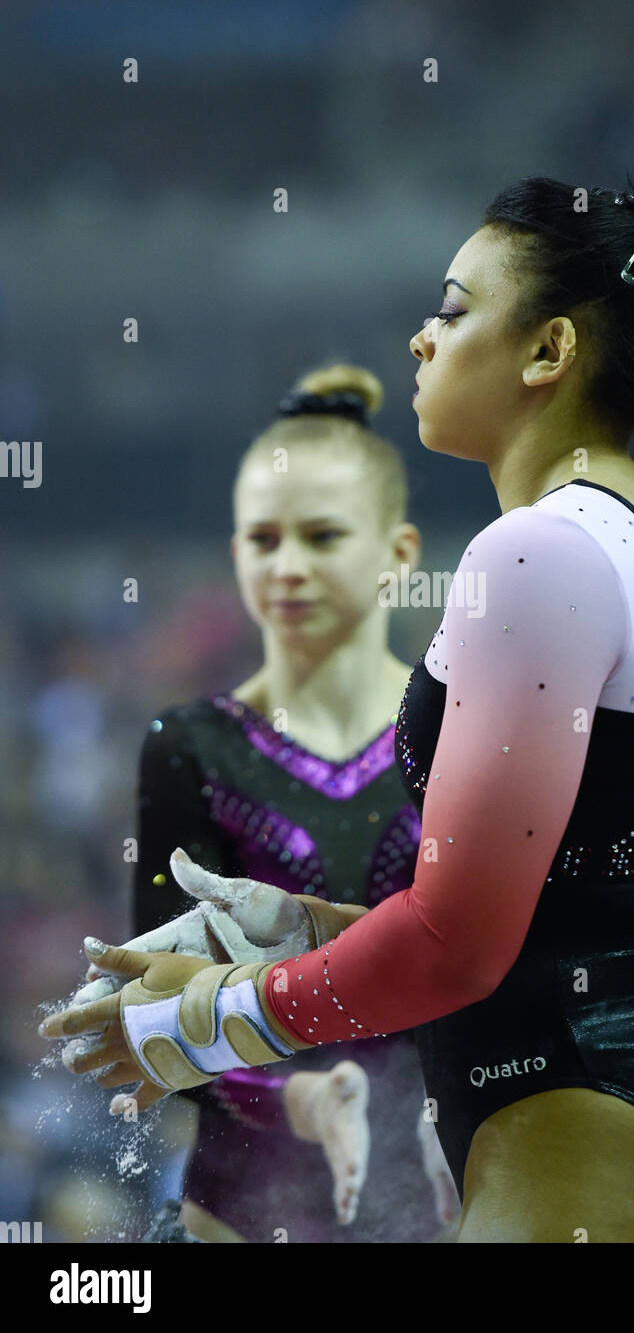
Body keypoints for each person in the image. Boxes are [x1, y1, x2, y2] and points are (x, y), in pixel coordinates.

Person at [43, 136, 634, 1243]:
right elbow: (548, 925)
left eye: (452, 310)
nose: (421, 335)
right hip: (617, 1127)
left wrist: (209, 1023)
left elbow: (458, 947)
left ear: (548, 350)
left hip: (603, 1151)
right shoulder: (631, 536)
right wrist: (294, 938)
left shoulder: (540, 555)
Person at [111, 363, 455, 1243]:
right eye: (264, 541)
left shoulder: (462, 727)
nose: (289, 566)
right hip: (241, 1206)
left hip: (441, 1195)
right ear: (236, 556)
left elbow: (480, 965)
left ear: (398, 554)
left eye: (322, 536)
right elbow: (155, 1002)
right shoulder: (190, 746)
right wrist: (303, 1097)